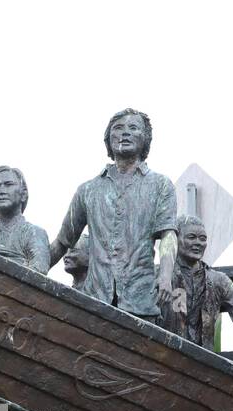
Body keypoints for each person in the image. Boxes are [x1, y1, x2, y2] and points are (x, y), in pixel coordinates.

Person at [48, 109, 177, 319]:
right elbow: (62, 242)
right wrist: (31, 271)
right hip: (95, 300)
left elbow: (168, 235)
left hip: (140, 301)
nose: (125, 133)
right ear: (108, 139)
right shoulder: (88, 190)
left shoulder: (160, 185)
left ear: (145, 139)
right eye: (118, 128)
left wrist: (165, 276)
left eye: (133, 128)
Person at [160, 215, 233, 368]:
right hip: (165, 361)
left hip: (203, 366)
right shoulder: (161, 277)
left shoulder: (219, 281)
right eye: (191, 237)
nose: (198, 243)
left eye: (202, 239)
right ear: (177, 238)